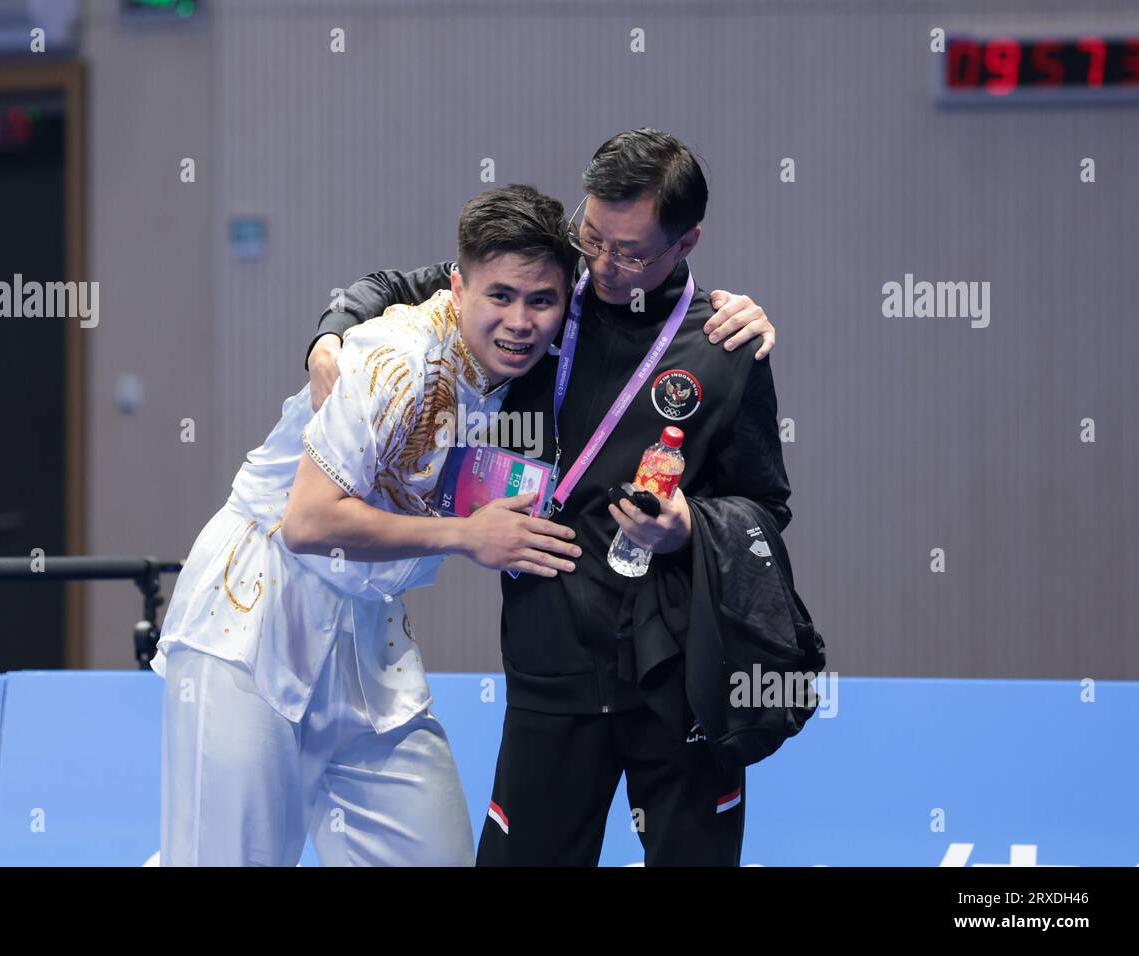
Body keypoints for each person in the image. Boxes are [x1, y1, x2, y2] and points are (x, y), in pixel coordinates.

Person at [305, 129, 792, 865]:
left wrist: (691, 525)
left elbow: (765, 506)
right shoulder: (541, 295)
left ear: (686, 243)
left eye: (629, 253)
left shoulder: (725, 345)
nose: (600, 265)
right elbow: (389, 289)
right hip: (551, 672)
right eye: (590, 234)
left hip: (678, 680)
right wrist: (329, 337)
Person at [152, 184, 583, 866]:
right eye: (500, 296)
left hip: (365, 632)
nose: (522, 321)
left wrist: (729, 319)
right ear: (458, 287)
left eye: (542, 301)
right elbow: (308, 520)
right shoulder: (396, 357)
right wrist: (468, 537)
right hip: (254, 611)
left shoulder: (523, 367)